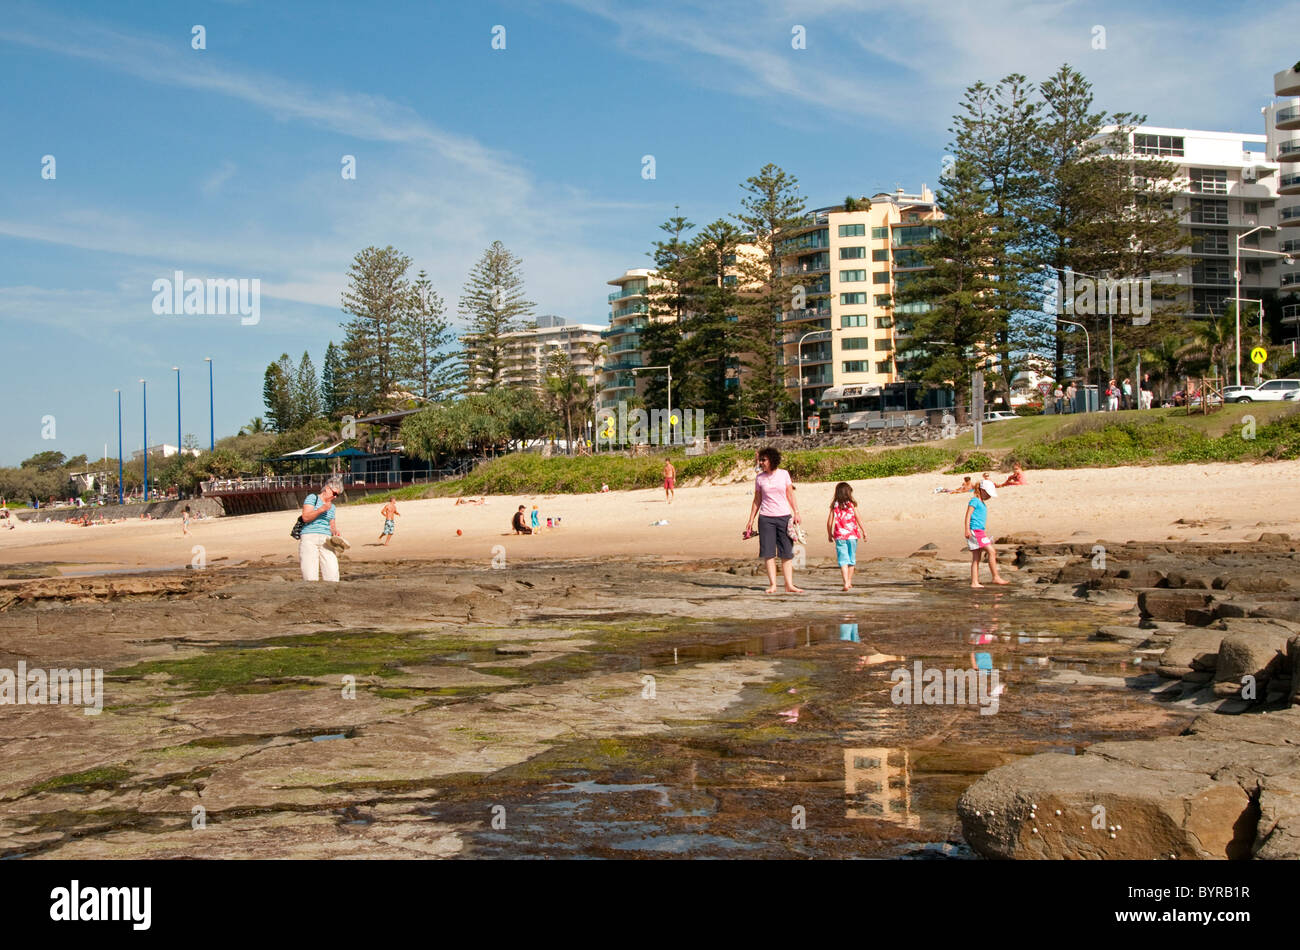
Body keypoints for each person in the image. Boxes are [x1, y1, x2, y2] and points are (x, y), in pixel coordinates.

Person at [744, 447, 805, 594]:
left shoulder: (784, 474)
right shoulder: (759, 478)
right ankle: (773, 585)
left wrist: (796, 512)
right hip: (766, 518)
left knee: (786, 552)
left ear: (772, 460)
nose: (761, 463)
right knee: (768, 552)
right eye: (760, 460)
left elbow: (790, 494)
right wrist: (750, 520)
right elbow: (757, 500)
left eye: (764, 460)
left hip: (784, 516)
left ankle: (789, 585)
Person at [965, 479, 1009, 589]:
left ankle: (974, 582)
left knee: (976, 557)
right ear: (982, 490)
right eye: (988, 494)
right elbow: (968, 516)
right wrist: (967, 529)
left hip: (980, 531)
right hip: (975, 531)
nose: (989, 497)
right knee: (991, 551)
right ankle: (995, 577)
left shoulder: (981, 503)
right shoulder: (974, 501)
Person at [299, 476, 344, 583]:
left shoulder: (332, 507)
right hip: (309, 537)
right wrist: (321, 509)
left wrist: (334, 531)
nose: (335, 497)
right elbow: (305, 517)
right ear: (327, 489)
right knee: (310, 575)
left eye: (337, 495)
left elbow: (332, 524)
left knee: (332, 573)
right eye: (335, 493)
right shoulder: (312, 498)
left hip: (326, 539)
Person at [826, 482, 866, 591]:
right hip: (852, 536)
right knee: (851, 559)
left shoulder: (834, 505)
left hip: (839, 536)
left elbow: (829, 522)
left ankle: (845, 583)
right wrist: (864, 531)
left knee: (843, 560)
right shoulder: (852, 504)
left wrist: (829, 534)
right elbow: (859, 518)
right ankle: (849, 581)